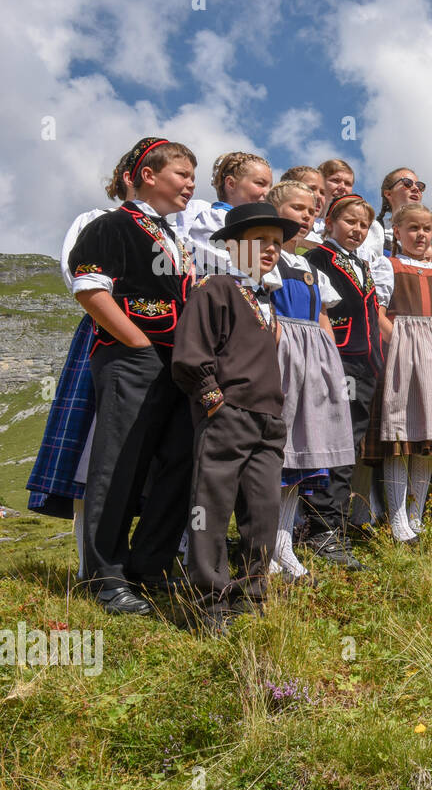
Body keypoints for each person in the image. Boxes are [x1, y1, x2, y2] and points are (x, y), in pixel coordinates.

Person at [68, 137, 199, 616]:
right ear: (147, 173)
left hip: (178, 364)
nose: (191, 183)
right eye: (182, 174)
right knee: (119, 462)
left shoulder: (174, 237)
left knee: (178, 460)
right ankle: (106, 577)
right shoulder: (113, 225)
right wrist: (139, 343)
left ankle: (151, 567)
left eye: (192, 175)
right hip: (133, 358)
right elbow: (89, 287)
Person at [172, 202, 295, 632]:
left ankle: (251, 596)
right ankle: (208, 603)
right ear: (234, 246)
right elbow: (190, 356)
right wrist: (213, 401)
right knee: (211, 506)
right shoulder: (216, 288)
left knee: (263, 509)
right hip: (227, 415)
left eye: (277, 244)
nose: (270, 250)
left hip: (268, 419)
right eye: (259, 241)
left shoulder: (269, 300)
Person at [27, 145, 137, 572]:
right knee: (93, 445)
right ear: (131, 176)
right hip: (105, 330)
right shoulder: (95, 221)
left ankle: (132, 558)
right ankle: (87, 564)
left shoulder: (169, 229)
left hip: (158, 338)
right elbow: (81, 278)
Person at [264, 181, 354, 582]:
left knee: (302, 449)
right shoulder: (258, 256)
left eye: (311, 210)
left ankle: (284, 544)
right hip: (279, 354)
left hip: (313, 358)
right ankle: (262, 546)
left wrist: (329, 361)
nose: (306, 215)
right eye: (297, 208)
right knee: (274, 449)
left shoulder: (311, 269)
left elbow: (322, 319)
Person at [367, 204, 432, 542]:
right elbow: (376, 310)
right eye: (413, 228)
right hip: (403, 353)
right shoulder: (388, 265)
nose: (421, 235)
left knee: (429, 433)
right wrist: (397, 339)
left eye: (426, 228)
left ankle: (416, 514)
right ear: (397, 232)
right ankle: (397, 519)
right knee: (402, 434)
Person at [302, 194, 387, 569]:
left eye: (363, 224)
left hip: (365, 365)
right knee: (335, 444)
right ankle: (321, 528)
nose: (357, 229)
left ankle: (330, 525)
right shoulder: (318, 257)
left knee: (349, 445)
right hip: (339, 361)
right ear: (330, 222)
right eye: (350, 221)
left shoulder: (363, 264)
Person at [177, 152, 273, 276]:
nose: (267, 192)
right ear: (231, 184)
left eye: (270, 186)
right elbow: (222, 268)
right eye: (260, 183)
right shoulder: (215, 217)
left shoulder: (259, 228)